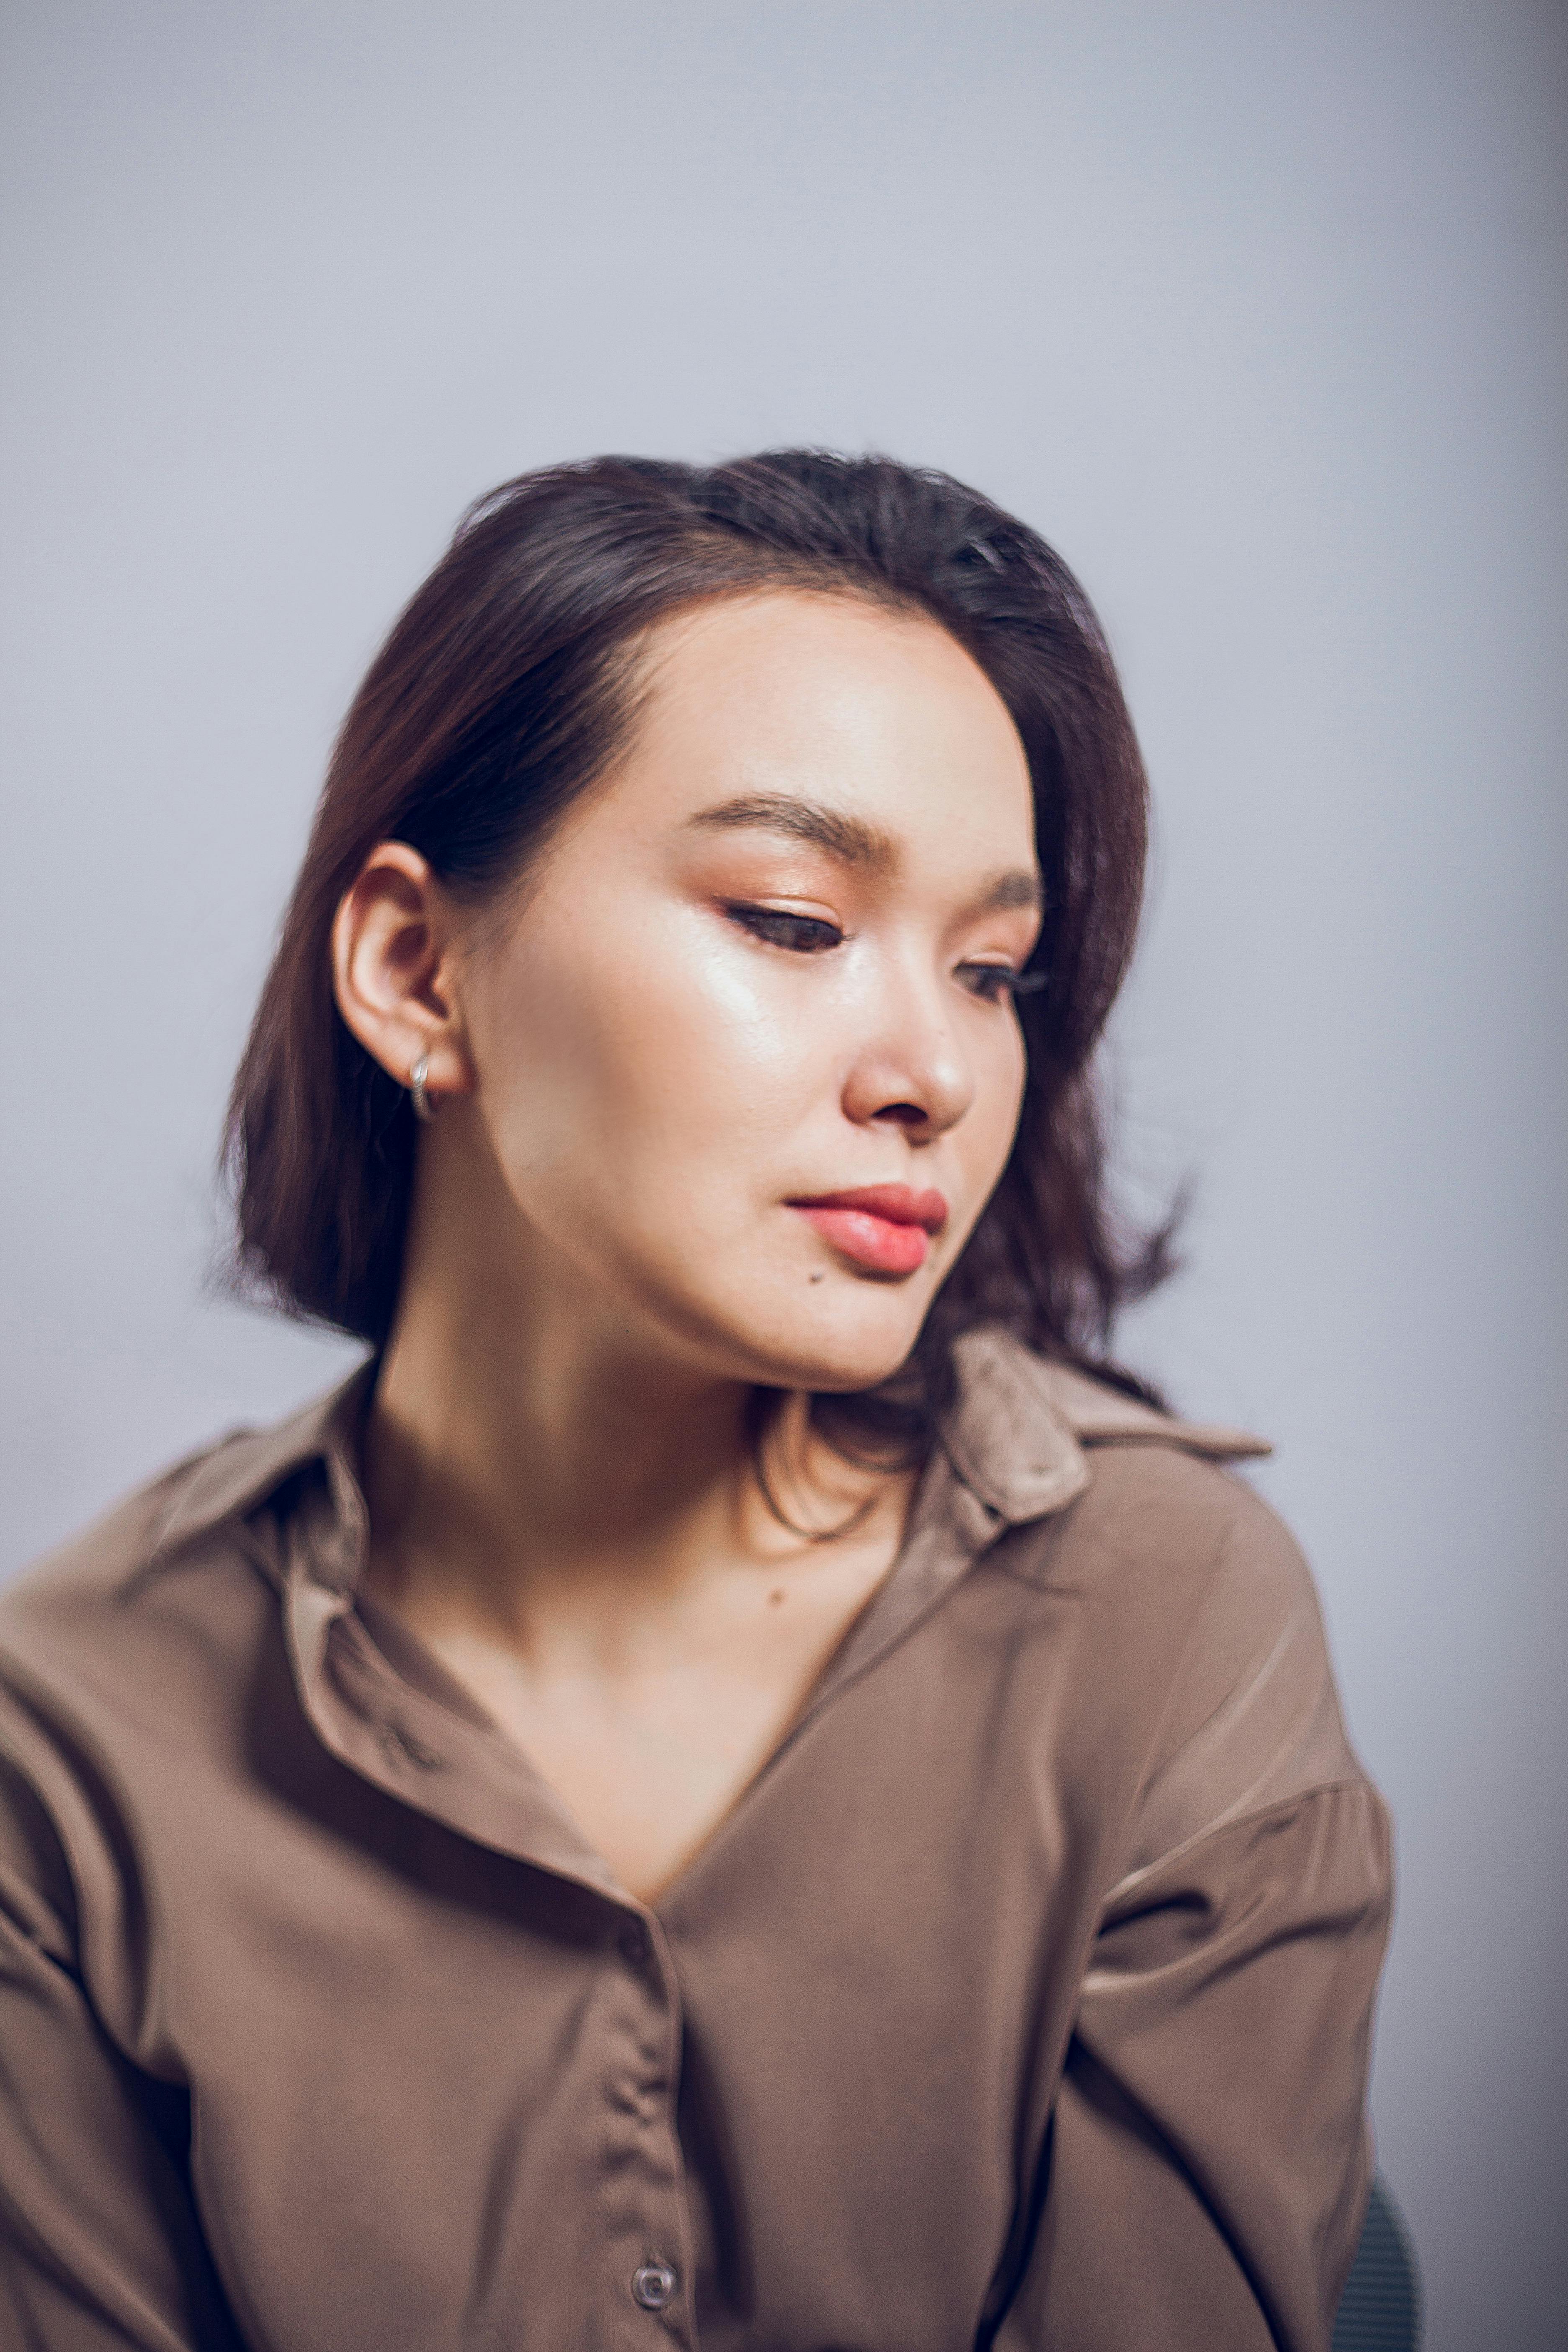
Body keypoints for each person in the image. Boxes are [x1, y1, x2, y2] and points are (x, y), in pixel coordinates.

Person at [0, 452, 1391, 2352]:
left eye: (992, 971)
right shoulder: (67, 1740)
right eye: (798, 923)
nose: (937, 1072)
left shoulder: (1160, 1626)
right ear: (417, 969)